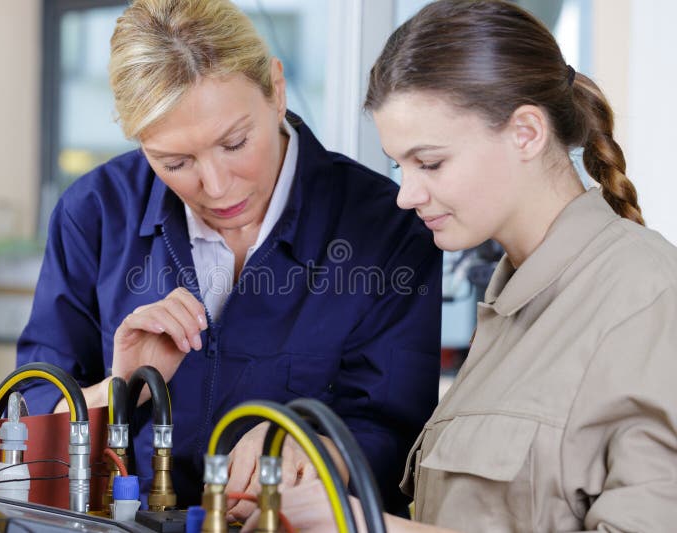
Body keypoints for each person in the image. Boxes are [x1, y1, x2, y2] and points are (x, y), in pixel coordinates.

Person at [261, 1, 677, 531]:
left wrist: (366, 526)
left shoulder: (648, 296)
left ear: (526, 132)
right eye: (399, 165)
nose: (405, 195)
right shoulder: (511, 311)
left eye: (430, 163)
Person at [16, 0, 442, 514]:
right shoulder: (94, 215)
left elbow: (400, 432)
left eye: (236, 143)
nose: (216, 187)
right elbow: (26, 423)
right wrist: (120, 390)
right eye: (175, 162)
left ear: (277, 91)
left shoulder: (387, 228)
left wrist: (316, 449)